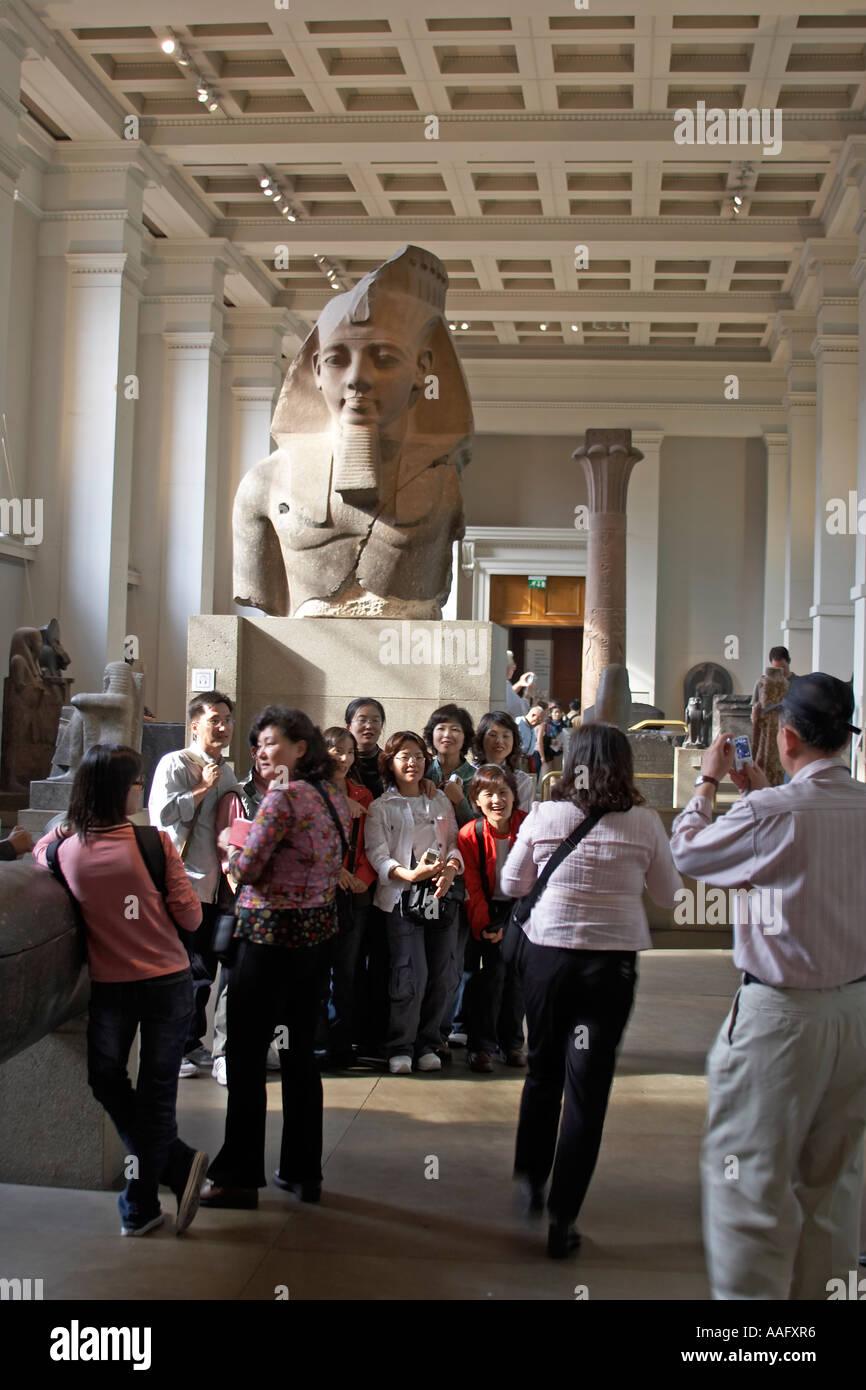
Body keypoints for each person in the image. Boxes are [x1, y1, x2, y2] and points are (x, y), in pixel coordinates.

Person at [669, 673, 866, 1301]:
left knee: (749, 1185)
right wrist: (763, 797)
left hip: (780, 1020)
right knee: (835, 1188)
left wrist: (706, 783)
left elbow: (692, 854)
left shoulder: (770, 812)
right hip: (857, 1014)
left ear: (784, 737)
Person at [501, 722, 682, 1259]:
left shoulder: (545, 814)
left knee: (543, 1070)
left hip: (547, 959)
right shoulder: (645, 822)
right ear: (625, 765)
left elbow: (512, 884)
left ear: (572, 759)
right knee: (588, 1088)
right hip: (610, 968)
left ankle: (532, 1179)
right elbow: (670, 896)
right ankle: (565, 1217)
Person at [33, 744, 207, 1237]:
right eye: (136, 782)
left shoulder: (66, 850)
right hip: (168, 983)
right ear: (120, 790)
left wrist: (58, 832)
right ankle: (171, 1168)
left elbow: (37, 852)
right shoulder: (154, 844)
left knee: (107, 1079)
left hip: (111, 988)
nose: (139, 789)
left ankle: (144, 1202)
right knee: (156, 1093)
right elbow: (191, 916)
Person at [201, 707, 351, 1210]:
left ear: (301, 748)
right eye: (257, 745)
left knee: (245, 1059)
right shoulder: (335, 796)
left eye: (271, 742)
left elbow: (246, 870)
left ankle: (239, 1176)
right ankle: (303, 1170)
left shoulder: (283, 796)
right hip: (315, 941)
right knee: (300, 1057)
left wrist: (229, 844)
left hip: (265, 942)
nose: (261, 752)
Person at [148, 691, 240, 1078]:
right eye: (214, 719)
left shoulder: (230, 771)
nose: (222, 727)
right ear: (195, 725)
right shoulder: (174, 764)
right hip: (183, 882)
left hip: (218, 887)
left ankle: (193, 1041)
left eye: (227, 720)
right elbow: (163, 816)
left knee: (204, 969)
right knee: (179, 970)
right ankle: (172, 1048)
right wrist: (201, 788)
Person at [364, 731, 464, 1075]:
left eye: (419, 756)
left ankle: (428, 1043)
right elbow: (376, 853)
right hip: (401, 900)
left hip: (440, 896)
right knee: (410, 973)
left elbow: (452, 842)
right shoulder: (380, 806)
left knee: (443, 972)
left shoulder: (438, 801)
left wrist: (450, 868)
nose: (413, 763)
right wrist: (407, 875)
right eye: (404, 757)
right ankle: (400, 1045)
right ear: (390, 763)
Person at [211, 720, 273, 1086]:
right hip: (245, 903)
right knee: (233, 983)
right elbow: (229, 858)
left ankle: (261, 1044)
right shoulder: (238, 797)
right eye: (265, 747)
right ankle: (223, 1052)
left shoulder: (293, 797)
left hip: (280, 909)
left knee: (269, 982)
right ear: (254, 752)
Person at [458, 764, 527, 1073]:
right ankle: (481, 1046)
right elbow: (471, 886)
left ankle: (512, 1043)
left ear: (514, 796)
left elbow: (535, 880)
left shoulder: (529, 828)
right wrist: (487, 927)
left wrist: (511, 926)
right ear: (476, 800)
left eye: (503, 792)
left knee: (517, 980)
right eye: (488, 794)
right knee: (489, 978)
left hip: (522, 912)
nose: (496, 800)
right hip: (486, 913)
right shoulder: (470, 833)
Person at [321, 726, 376, 1069]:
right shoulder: (308, 791)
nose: (344, 758)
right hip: (319, 892)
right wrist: (333, 872)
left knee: (347, 970)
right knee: (317, 971)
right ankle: (315, 1040)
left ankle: (341, 1043)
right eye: (336, 750)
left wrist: (361, 880)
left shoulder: (364, 794)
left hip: (356, 892)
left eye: (349, 751)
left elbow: (372, 844)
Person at [423, 703, 476, 1048]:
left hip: (457, 879)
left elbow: (479, 828)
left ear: (466, 737)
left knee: (449, 962)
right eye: (441, 728)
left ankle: (439, 1031)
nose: (448, 735)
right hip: (413, 877)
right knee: (414, 961)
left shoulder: (476, 776)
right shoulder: (415, 769)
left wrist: (460, 802)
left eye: (455, 729)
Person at [469, 711, 536, 813]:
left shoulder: (522, 781)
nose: (499, 741)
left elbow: (522, 820)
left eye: (505, 736)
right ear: (481, 738)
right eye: (492, 735)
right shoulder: (468, 774)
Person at [751, 652, 792, 786]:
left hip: (785, 728)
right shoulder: (762, 682)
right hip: (766, 729)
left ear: (788, 662)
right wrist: (756, 718)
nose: (780, 671)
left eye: (783, 668)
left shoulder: (793, 682)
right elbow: (755, 708)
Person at [345, 697, 387, 797]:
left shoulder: (388, 762)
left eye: (375, 720)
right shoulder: (339, 761)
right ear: (348, 727)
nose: (368, 726)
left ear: (381, 727)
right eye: (362, 720)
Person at [515, 700, 548, 778]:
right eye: (539, 720)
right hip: (518, 758)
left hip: (527, 759)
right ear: (533, 715)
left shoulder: (531, 727)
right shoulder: (519, 723)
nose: (539, 723)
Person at [505, 652, 535, 720]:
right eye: (513, 665)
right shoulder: (505, 683)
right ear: (506, 667)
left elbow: (507, 695)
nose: (514, 668)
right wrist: (528, 692)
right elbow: (521, 710)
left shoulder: (501, 683)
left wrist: (519, 683)